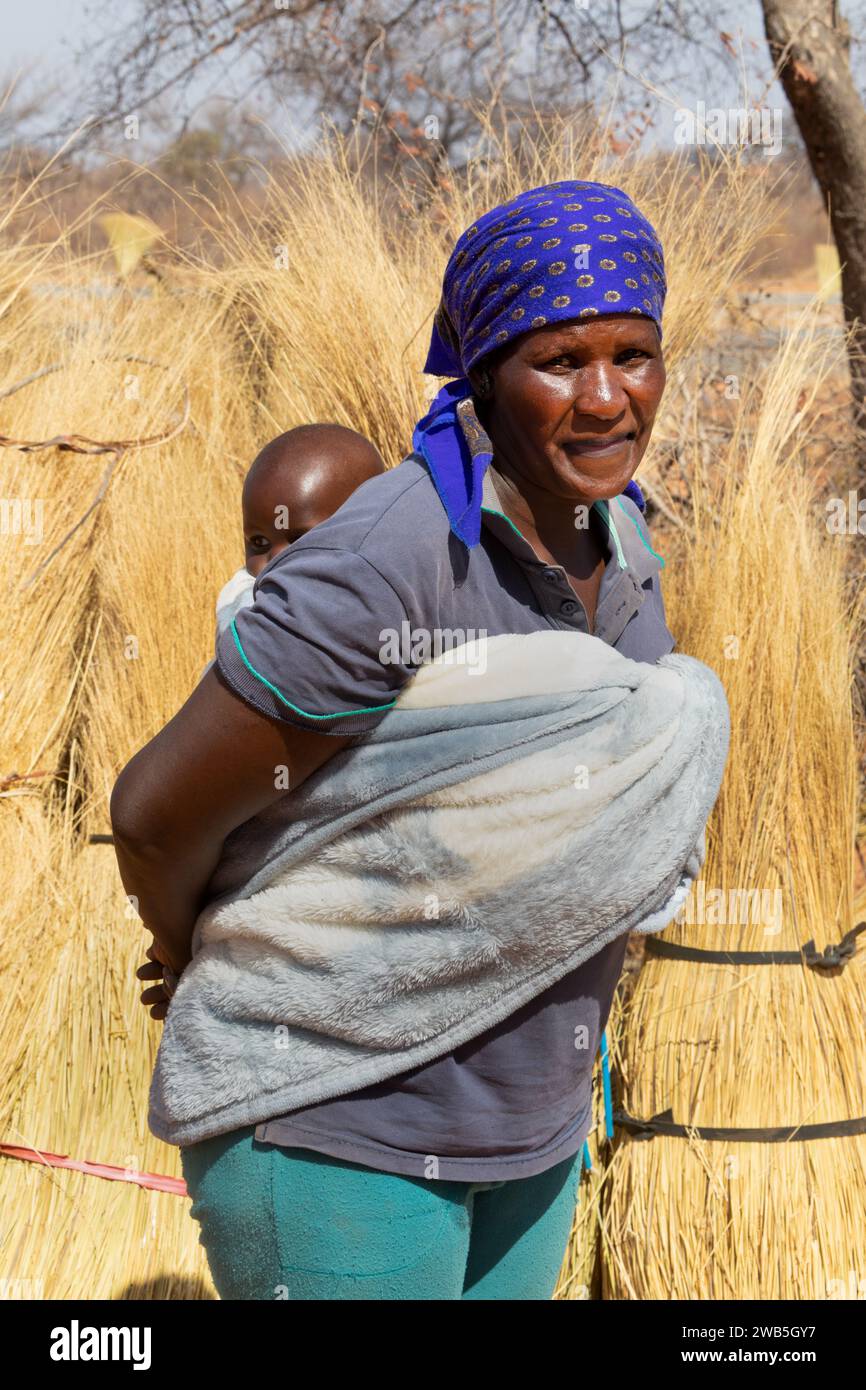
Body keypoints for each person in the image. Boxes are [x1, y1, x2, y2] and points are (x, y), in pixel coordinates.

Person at [112, 179, 676, 1300]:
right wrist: (196, 952)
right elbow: (153, 812)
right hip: (341, 1126)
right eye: (558, 362)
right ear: (484, 375)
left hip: (526, 1127)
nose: (606, 397)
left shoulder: (622, 540)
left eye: (634, 355)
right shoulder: (394, 561)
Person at [199, 424, 386, 682]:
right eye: (259, 542)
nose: (276, 561)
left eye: (300, 540)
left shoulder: (400, 591)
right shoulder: (247, 599)